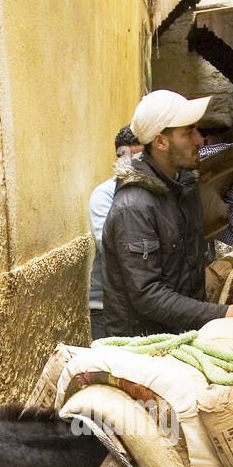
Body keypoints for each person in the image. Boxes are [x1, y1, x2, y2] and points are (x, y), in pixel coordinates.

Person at [102, 88, 233, 467]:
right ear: (160, 141)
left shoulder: (179, 186)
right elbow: (146, 295)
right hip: (142, 344)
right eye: (189, 132)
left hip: (179, 335)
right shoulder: (134, 208)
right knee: (159, 447)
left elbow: (191, 261)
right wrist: (215, 317)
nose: (200, 139)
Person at [88, 126, 142, 342]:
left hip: (145, 306)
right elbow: (114, 251)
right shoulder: (104, 195)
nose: (133, 164)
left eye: (140, 157)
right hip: (107, 305)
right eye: (127, 157)